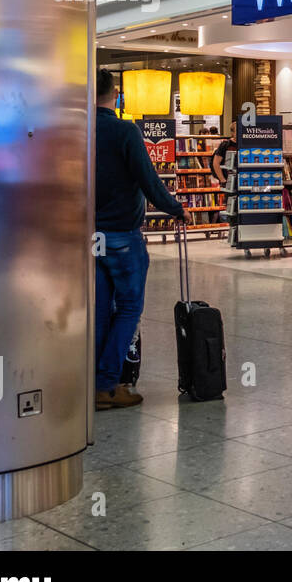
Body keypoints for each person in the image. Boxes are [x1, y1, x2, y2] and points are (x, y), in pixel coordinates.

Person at [94, 69, 186, 410]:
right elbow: (148, 179)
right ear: (116, 95)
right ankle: (106, 384)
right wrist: (176, 208)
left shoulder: (74, 131)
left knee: (100, 310)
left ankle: (93, 382)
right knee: (130, 307)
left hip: (87, 236)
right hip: (121, 235)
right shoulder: (124, 130)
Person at [211, 120, 237, 184]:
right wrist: (222, 180)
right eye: (238, 131)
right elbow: (216, 163)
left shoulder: (246, 144)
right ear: (232, 133)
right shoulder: (225, 144)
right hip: (229, 181)